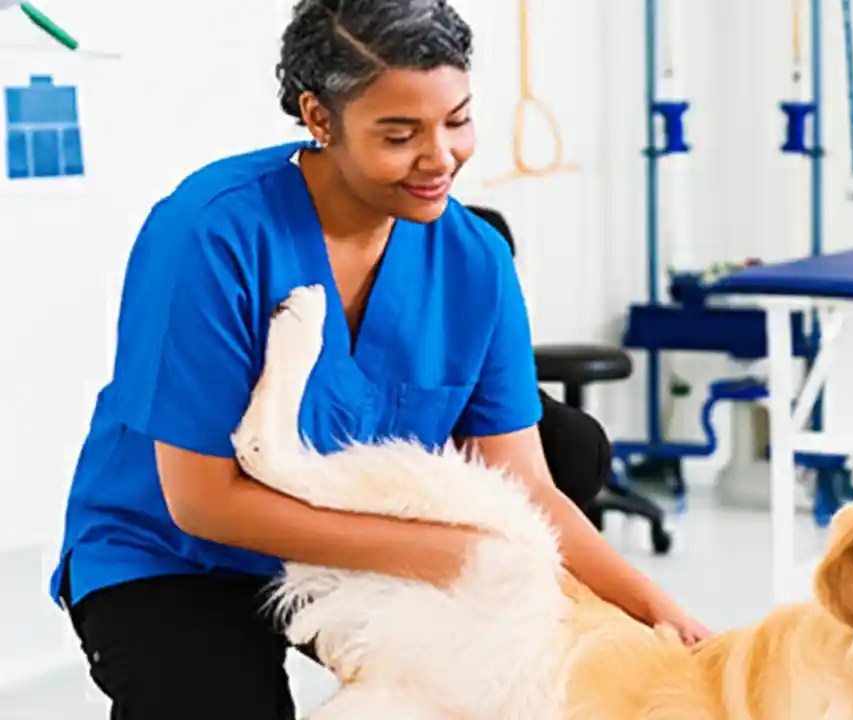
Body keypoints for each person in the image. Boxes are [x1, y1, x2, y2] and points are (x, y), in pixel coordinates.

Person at [48, 1, 708, 717]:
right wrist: (451, 553)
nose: (440, 158)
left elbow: (527, 487)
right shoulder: (210, 233)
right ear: (319, 118)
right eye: (400, 135)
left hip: (355, 552)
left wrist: (660, 613)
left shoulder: (474, 260)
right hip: (177, 550)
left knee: (566, 459)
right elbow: (201, 500)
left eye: (457, 121)